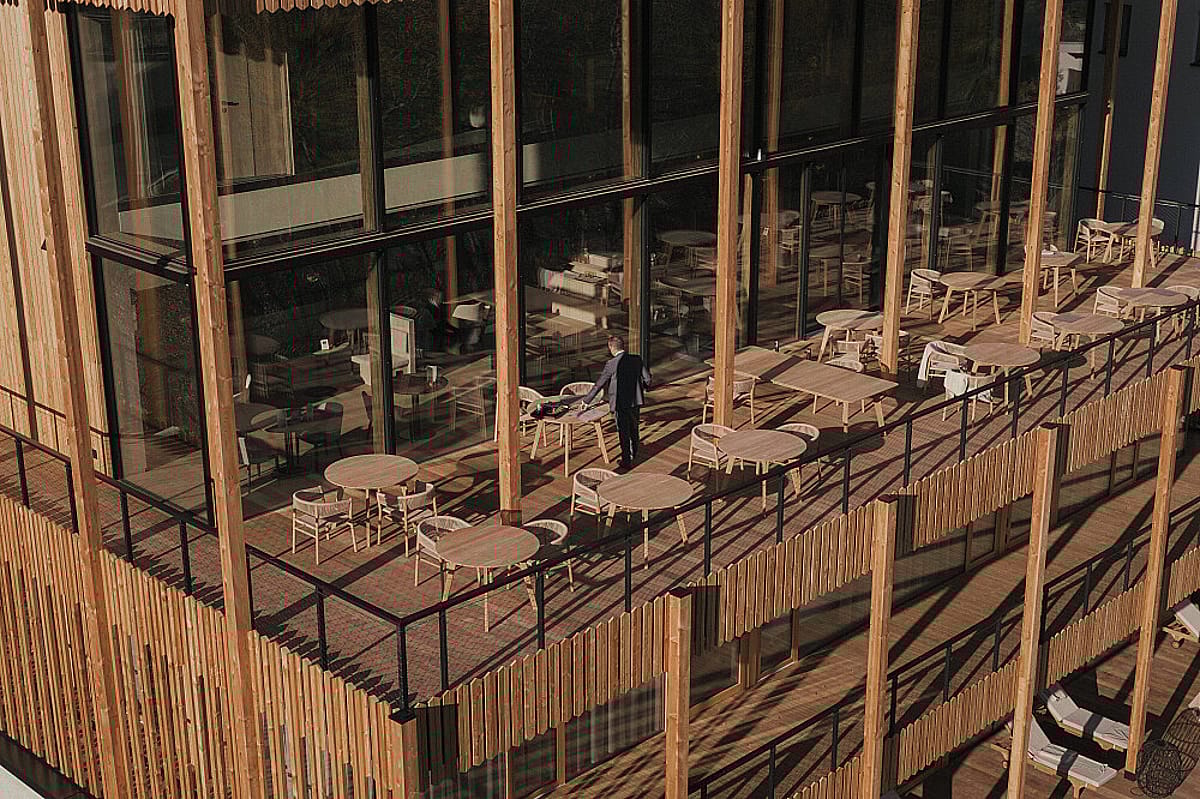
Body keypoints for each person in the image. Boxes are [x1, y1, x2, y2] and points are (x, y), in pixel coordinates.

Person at [581, 336, 651, 468]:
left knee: (623, 431)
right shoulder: (636, 359)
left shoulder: (611, 364)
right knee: (634, 427)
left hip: (620, 403)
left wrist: (587, 400)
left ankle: (626, 460)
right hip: (635, 401)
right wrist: (641, 389)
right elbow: (647, 378)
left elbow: (599, 384)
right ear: (623, 346)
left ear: (611, 347)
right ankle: (634, 452)